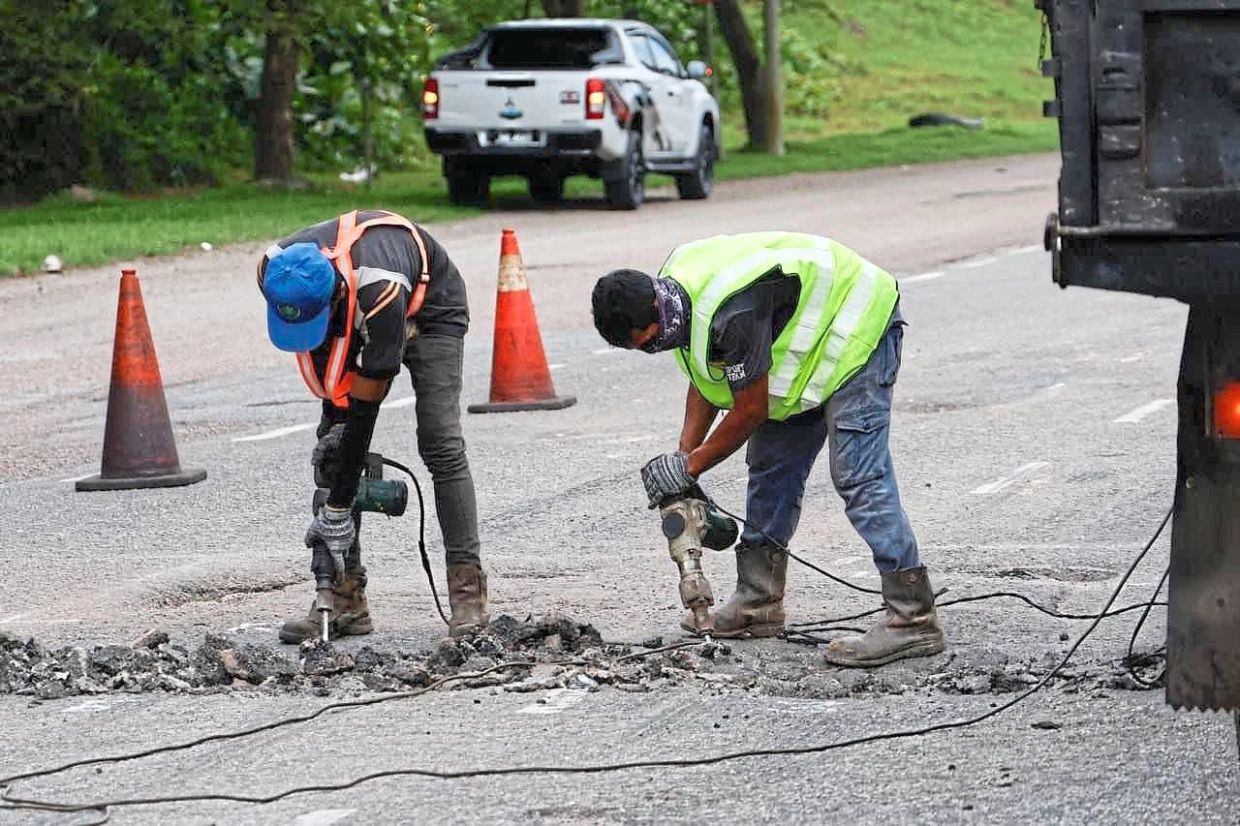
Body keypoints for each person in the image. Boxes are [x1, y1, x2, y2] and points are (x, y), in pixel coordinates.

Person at [590, 232, 945, 667]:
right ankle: (758, 603)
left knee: (858, 477)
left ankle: (913, 618)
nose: (651, 349)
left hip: (856, 333)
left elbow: (751, 408)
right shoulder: (672, 301)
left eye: (648, 342)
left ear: (653, 314)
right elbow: (707, 372)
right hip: (802, 349)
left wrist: (694, 465)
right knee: (771, 468)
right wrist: (684, 460)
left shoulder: (730, 312)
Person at [257, 209, 487, 641]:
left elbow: (366, 410)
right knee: (332, 448)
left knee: (440, 442)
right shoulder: (275, 270)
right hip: (357, 307)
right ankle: (344, 601)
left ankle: (468, 595)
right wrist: (338, 454)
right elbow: (337, 397)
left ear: (335, 298)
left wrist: (339, 506)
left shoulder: (378, 291)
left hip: (430, 308)